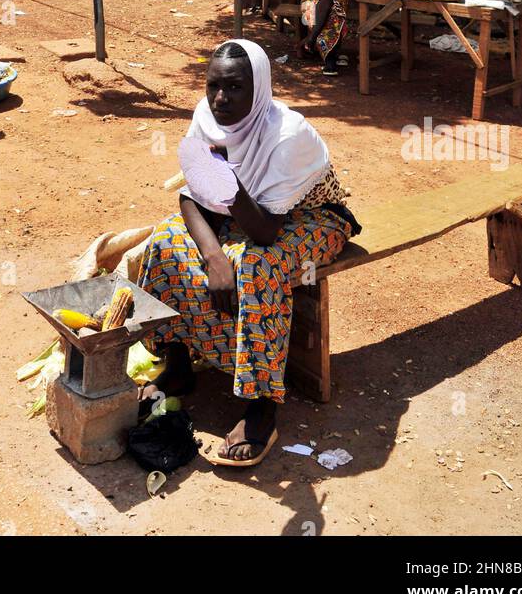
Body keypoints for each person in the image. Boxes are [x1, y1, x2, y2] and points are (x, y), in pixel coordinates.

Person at [138, 39, 359, 468]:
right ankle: (179, 360)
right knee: (165, 241)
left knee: (257, 265)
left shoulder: (288, 135)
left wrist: (224, 178)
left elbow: (263, 231)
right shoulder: (207, 117)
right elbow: (190, 197)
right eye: (213, 86)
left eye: (235, 88)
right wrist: (214, 257)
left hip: (310, 219)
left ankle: (261, 407)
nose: (221, 99)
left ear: (258, 90)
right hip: (241, 213)